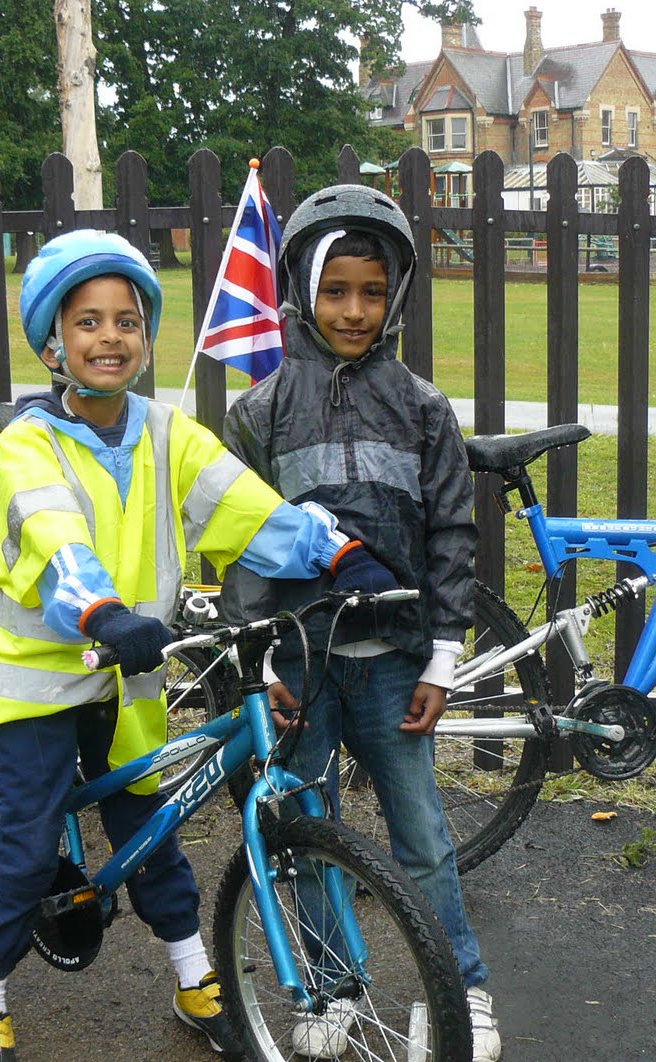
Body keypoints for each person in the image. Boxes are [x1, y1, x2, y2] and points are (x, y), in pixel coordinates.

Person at [0, 229, 397, 1062]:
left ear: (148, 337)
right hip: (37, 677)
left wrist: (334, 553)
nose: (110, 337)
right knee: (27, 836)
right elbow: (55, 539)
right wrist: (105, 613)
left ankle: (196, 972)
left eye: (128, 320)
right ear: (53, 341)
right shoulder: (28, 442)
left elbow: (244, 505)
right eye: (87, 322)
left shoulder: (165, 431)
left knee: (152, 822)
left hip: (128, 672)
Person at [221, 184, 502, 1062]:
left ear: (399, 295)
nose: (354, 310)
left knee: (421, 835)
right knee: (306, 833)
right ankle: (335, 983)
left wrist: (444, 656)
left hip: (393, 664)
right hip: (301, 668)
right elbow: (242, 543)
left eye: (373, 292)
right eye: (335, 290)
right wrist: (259, 661)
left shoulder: (422, 407)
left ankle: (461, 986)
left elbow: (453, 530)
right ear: (303, 289)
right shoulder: (257, 413)